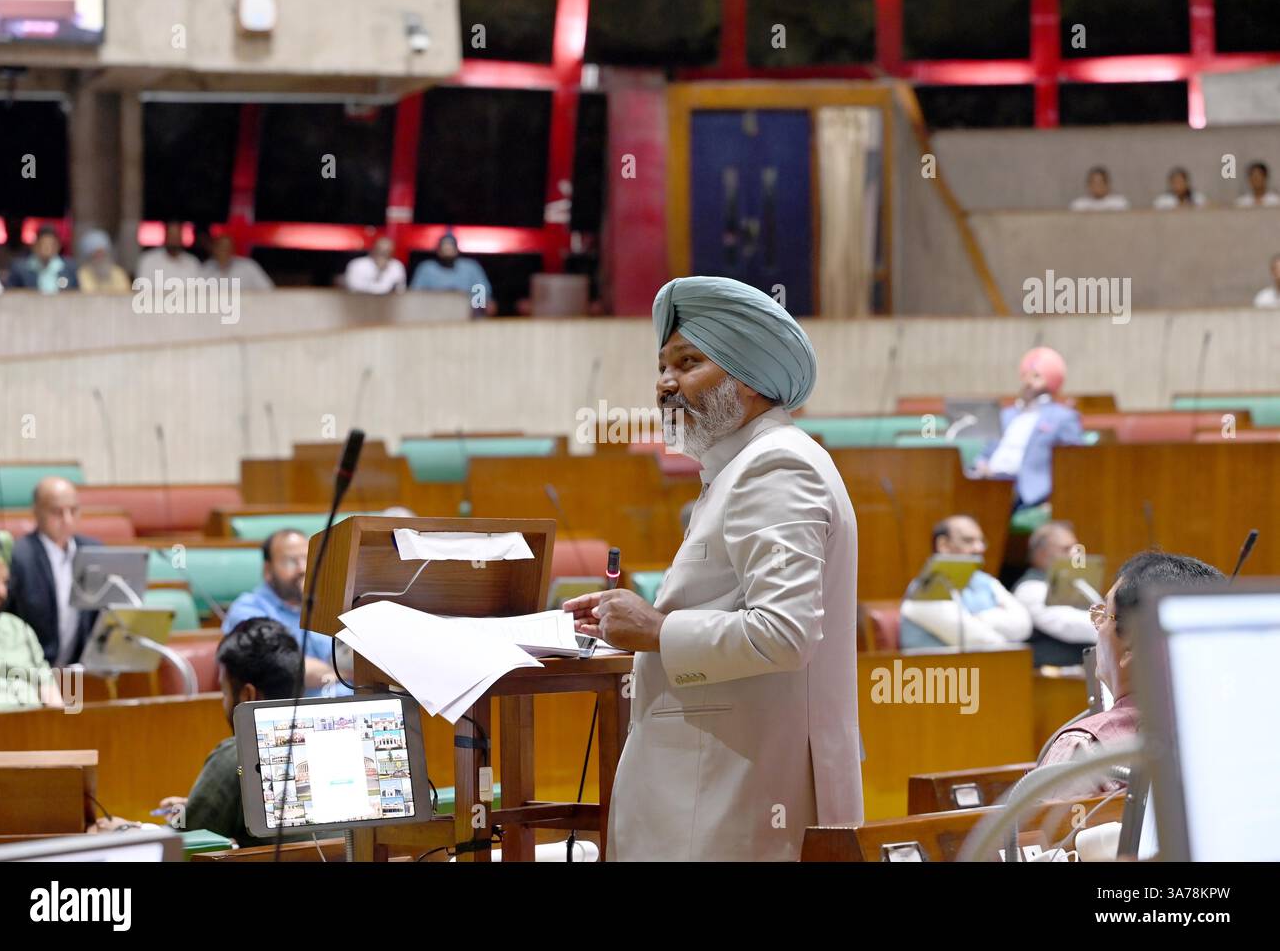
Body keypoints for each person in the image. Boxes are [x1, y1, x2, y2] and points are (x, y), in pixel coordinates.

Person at [562, 275, 863, 861]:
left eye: (688, 362)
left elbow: (785, 633)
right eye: (662, 366)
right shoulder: (739, 469)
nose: (664, 384)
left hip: (738, 802)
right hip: (722, 793)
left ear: (748, 378)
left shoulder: (774, 467)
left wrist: (655, 630)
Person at [1037, 551, 1224, 797]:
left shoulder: (1084, 749)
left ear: (1130, 648)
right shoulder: (1242, 732)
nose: (1098, 627)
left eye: (1104, 616)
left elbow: (1043, 834)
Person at [154, 618, 303, 845]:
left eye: (224, 692)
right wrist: (193, 807)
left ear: (247, 696)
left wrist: (128, 829)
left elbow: (183, 845)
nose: (223, 702)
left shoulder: (239, 753)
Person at [222, 529, 350, 698]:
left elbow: (355, 660)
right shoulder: (249, 609)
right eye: (291, 561)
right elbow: (285, 668)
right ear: (268, 570)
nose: (302, 569)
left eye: (307, 559)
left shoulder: (327, 604)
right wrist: (344, 674)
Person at [6, 477, 101, 666]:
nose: (67, 520)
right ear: (37, 512)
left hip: (79, 673)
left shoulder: (94, 552)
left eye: (73, 511)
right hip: (29, 671)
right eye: (57, 512)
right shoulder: (18, 557)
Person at [974, 347, 1085, 507]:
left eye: (1036, 376)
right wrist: (981, 464)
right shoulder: (1005, 414)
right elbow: (985, 453)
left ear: (1052, 380)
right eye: (1025, 375)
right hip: (988, 479)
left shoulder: (1063, 417)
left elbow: (1074, 464)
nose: (1028, 381)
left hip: (1023, 487)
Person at [900, 515, 1032, 649]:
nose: (979, 548)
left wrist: (976, 618)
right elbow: (976, 640)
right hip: (939, 669)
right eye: (968, 541)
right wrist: (997, 619)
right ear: (943, 545)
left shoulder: (986, 581)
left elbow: (1024, 626)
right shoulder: (924, 589)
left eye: (981, 541)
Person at [0, 530, 63, 710]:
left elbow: (53, 702)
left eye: (4, 582)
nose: (0, 592)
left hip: (32, 733)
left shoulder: (19, 630)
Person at [1011, 521, 1097, 667]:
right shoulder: (1029, 588)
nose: (1075, 554)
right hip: (1052, 679)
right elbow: (1067, 626)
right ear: (1041, 554)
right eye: (1066, 549)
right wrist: (1113, 627)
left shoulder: (1079, 584)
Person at [409, 232, 496, 315]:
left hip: (466, 314)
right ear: (438, 251)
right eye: (444, 249)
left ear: (457, 250)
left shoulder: (471, 268)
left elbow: (482, 292)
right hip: (434, 314)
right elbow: (416, 295)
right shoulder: (427, 269)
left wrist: (479, 305)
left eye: (451, 248)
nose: (448, 251)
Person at [6, 226, 78, 293]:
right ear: (35, 246)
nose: (47, 249)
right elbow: (10, 293)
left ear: (58, 247)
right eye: (43, 245)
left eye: (51, 245)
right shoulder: (20, 268)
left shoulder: (69, 268)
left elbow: (77, 293)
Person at [201, 234, 274, 290]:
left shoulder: (248, 265)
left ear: (233, 249)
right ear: (214, 248)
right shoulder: (206, 268)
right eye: (221, 246)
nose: (224, 250)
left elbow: (268, 289)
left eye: (228, 247)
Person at [135, 221, 202, 282]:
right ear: (165, 236)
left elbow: (198, 291)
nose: (174, 239)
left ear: (181, 237)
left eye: (177, 235)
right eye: (171, 235)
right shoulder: (148, 260)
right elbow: (141, 290)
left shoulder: (192, 262)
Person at [75, 228, 131, 293]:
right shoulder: (83, 273)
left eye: (102, 253)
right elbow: (89, 292)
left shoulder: (118, 272)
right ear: (89, 256)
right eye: (95, 254)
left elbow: (124, 292)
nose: (100, 257)